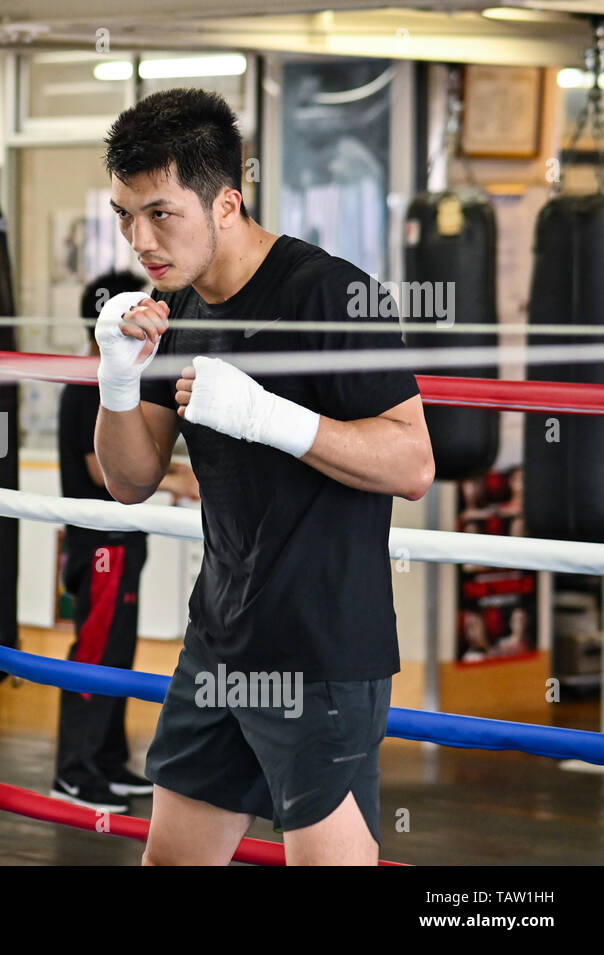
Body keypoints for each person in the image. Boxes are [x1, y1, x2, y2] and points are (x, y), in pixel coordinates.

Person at [92, 89, 434, 865]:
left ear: (226, 202)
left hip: (319, 649)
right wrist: (115, 381)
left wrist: (273, 417)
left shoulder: (330, 296)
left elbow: (414, 463)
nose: (139, 239)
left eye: (160, 213)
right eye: (123, 215)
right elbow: (130, 479)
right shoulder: (174, 309)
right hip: (219, 640)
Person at [52, 270, 200, 813]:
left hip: (122, 539)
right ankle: (74, 772)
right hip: (101, 544)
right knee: (95, 653)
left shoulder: (126, 376)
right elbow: (103, 468)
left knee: (118, 655)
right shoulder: (87, 381)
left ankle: (108, 762)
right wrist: (182, 479)